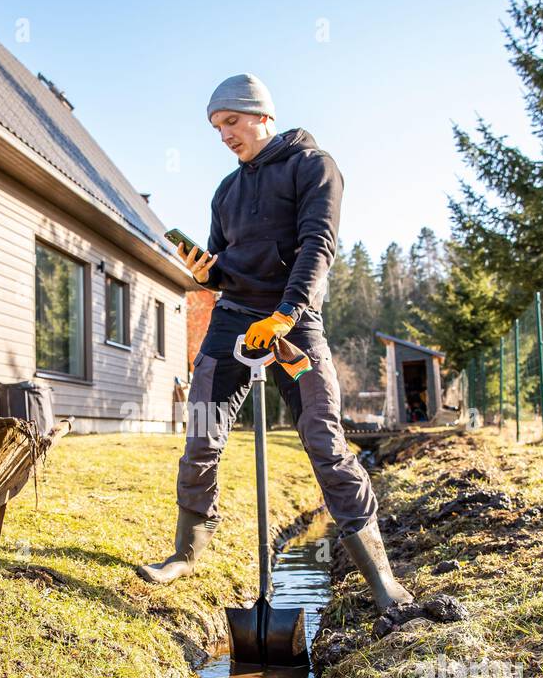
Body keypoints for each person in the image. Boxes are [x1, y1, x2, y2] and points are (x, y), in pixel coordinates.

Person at [137, 73, 413, 610]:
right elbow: (223, 265)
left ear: (263, 115)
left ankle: (382, 579)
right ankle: (186, 553)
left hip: (294, 325)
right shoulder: (226, 190)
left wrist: (288, 314)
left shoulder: (313, 167)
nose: (224, 135)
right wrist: (205, 274)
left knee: (323, 438)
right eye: (217, 127)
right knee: (200, 435)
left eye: (232, 122)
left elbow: (319, 244)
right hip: (232, 321)